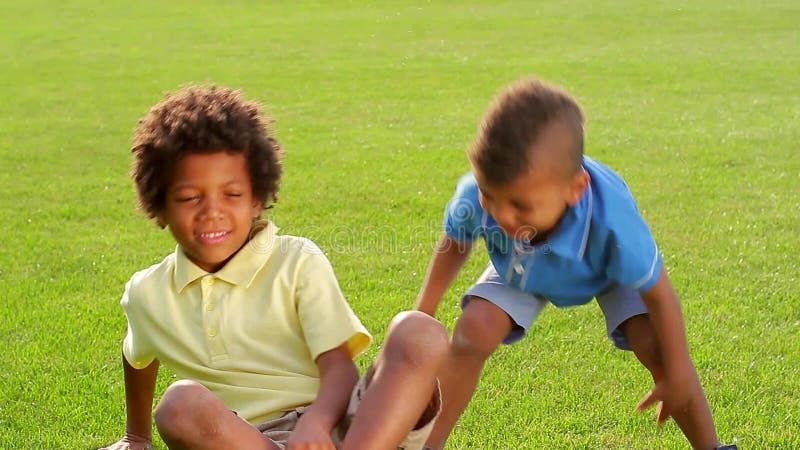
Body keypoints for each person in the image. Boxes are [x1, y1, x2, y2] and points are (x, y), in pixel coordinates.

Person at [101, 85, 447, 450]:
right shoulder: (148, 294)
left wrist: (317, 421)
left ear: (257, 199)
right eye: (189, 197)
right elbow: (136, 355)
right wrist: (136, 436)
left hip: (349, 429)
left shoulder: (297, 261)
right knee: (178, 405)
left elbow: (339, 367)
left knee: (418, 332)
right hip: (251, 440)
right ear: (160, 205)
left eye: (231, 194)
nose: (212, 211)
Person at [415, 77, 736, 450]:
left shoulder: (613, 225)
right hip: (524, 263)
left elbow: (660, 295)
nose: (501, 214)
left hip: (602, 267)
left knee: (656, 347)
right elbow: (457, 241)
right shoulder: (482, 194)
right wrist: (424, 312)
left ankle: (711, 447)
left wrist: (678, 371)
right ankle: (427, 444)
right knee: (474, 330)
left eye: (519, 204)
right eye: (491, 196)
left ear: (575, 189)